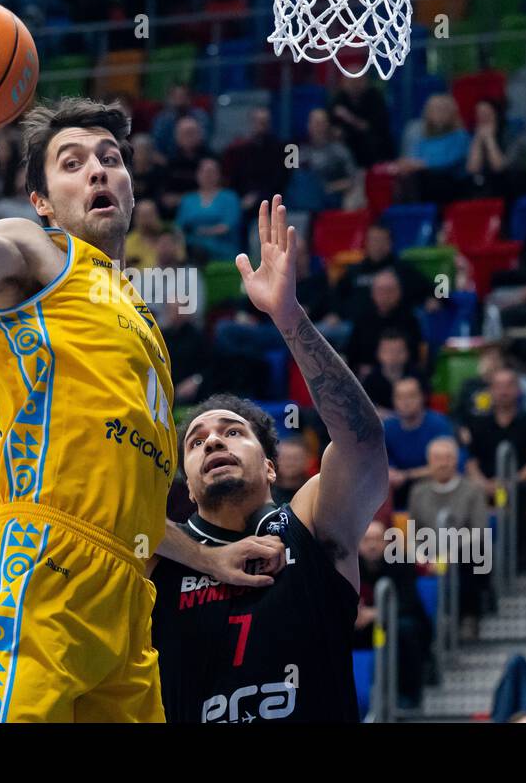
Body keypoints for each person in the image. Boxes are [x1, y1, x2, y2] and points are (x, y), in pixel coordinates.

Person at [0, 8, 265, 723]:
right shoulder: (34, 251)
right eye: (73, 162)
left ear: (132, 188)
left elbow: (127, 501)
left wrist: (205, 560)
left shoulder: (142, 319)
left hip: (127, 595)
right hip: (43, 564)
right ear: (44, 202)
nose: (98, 169)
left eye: (110, 156)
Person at [150, 196, 387, 722]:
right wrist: (204, 558)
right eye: (195, 441)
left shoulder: (308, 522)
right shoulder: (158, 555)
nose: (212, 442)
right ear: (186, 485)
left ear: (273, 466)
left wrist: (288, 317)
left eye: (232, 433)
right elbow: (98, 519)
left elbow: (364, 444)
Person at [463, 368, 526, 571]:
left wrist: (512, 481)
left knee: (519, 496)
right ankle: (477, 563)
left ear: (518, 390)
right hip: (485, 485)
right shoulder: (478, 423)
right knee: (465, 495)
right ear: (490, 391)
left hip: (519, 483)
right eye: (498, 386)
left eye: (509, 385)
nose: (503, 391)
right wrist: (482, 484)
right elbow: (471, 461)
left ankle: (519, 560)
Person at [407, 437, 491, 639]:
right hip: (429, 551)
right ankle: (427, 624)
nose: (443, 463)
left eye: (448, 458)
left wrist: (448, 555)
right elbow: (414, 531)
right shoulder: (418, 492)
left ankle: (468, 617)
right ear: (429, 462)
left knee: (475, 555)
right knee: (399, 561)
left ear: (456, 461)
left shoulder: (472, 490)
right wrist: (421, 556)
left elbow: (479, 530)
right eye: (437, 458)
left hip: (463, 552)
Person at [355, 520, 433, 710]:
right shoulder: (350, 565)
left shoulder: (401, 562)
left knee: (404, 630)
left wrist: (375, 614)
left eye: (377, 539)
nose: (372, 545)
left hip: (400, 621)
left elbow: (408, 602)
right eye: (366, 540)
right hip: (363, 627)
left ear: (386, 542)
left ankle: (407, 696)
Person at [384, 379, 455, 505]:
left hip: (432, 488)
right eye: (400, 397)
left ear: (422, 397)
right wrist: (389, 472)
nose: (405, 402)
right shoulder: (387, 427)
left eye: (411, 396)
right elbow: (379, 464)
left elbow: (446, 466)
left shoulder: (438, 424)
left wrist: (406, 475)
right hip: (396, 490)